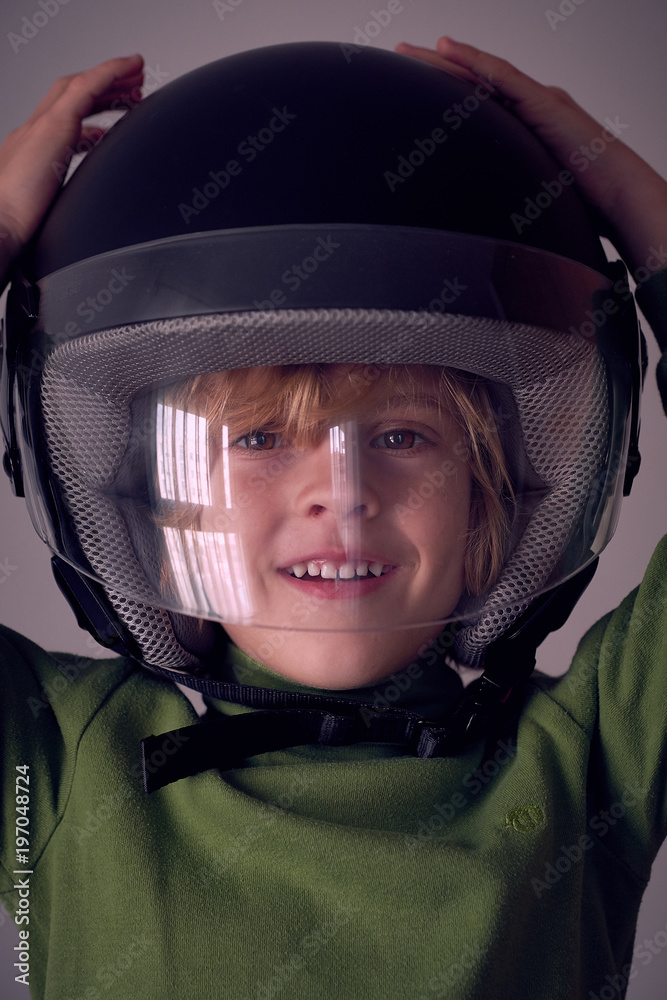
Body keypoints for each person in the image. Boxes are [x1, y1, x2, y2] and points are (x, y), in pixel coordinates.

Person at [0, 36, 666, 1000]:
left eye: (401, 437)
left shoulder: (591, 756)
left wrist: (626, 204)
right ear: (143, 498)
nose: (341, 491)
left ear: (498, 493)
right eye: (261, 440)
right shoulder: (58, 761)